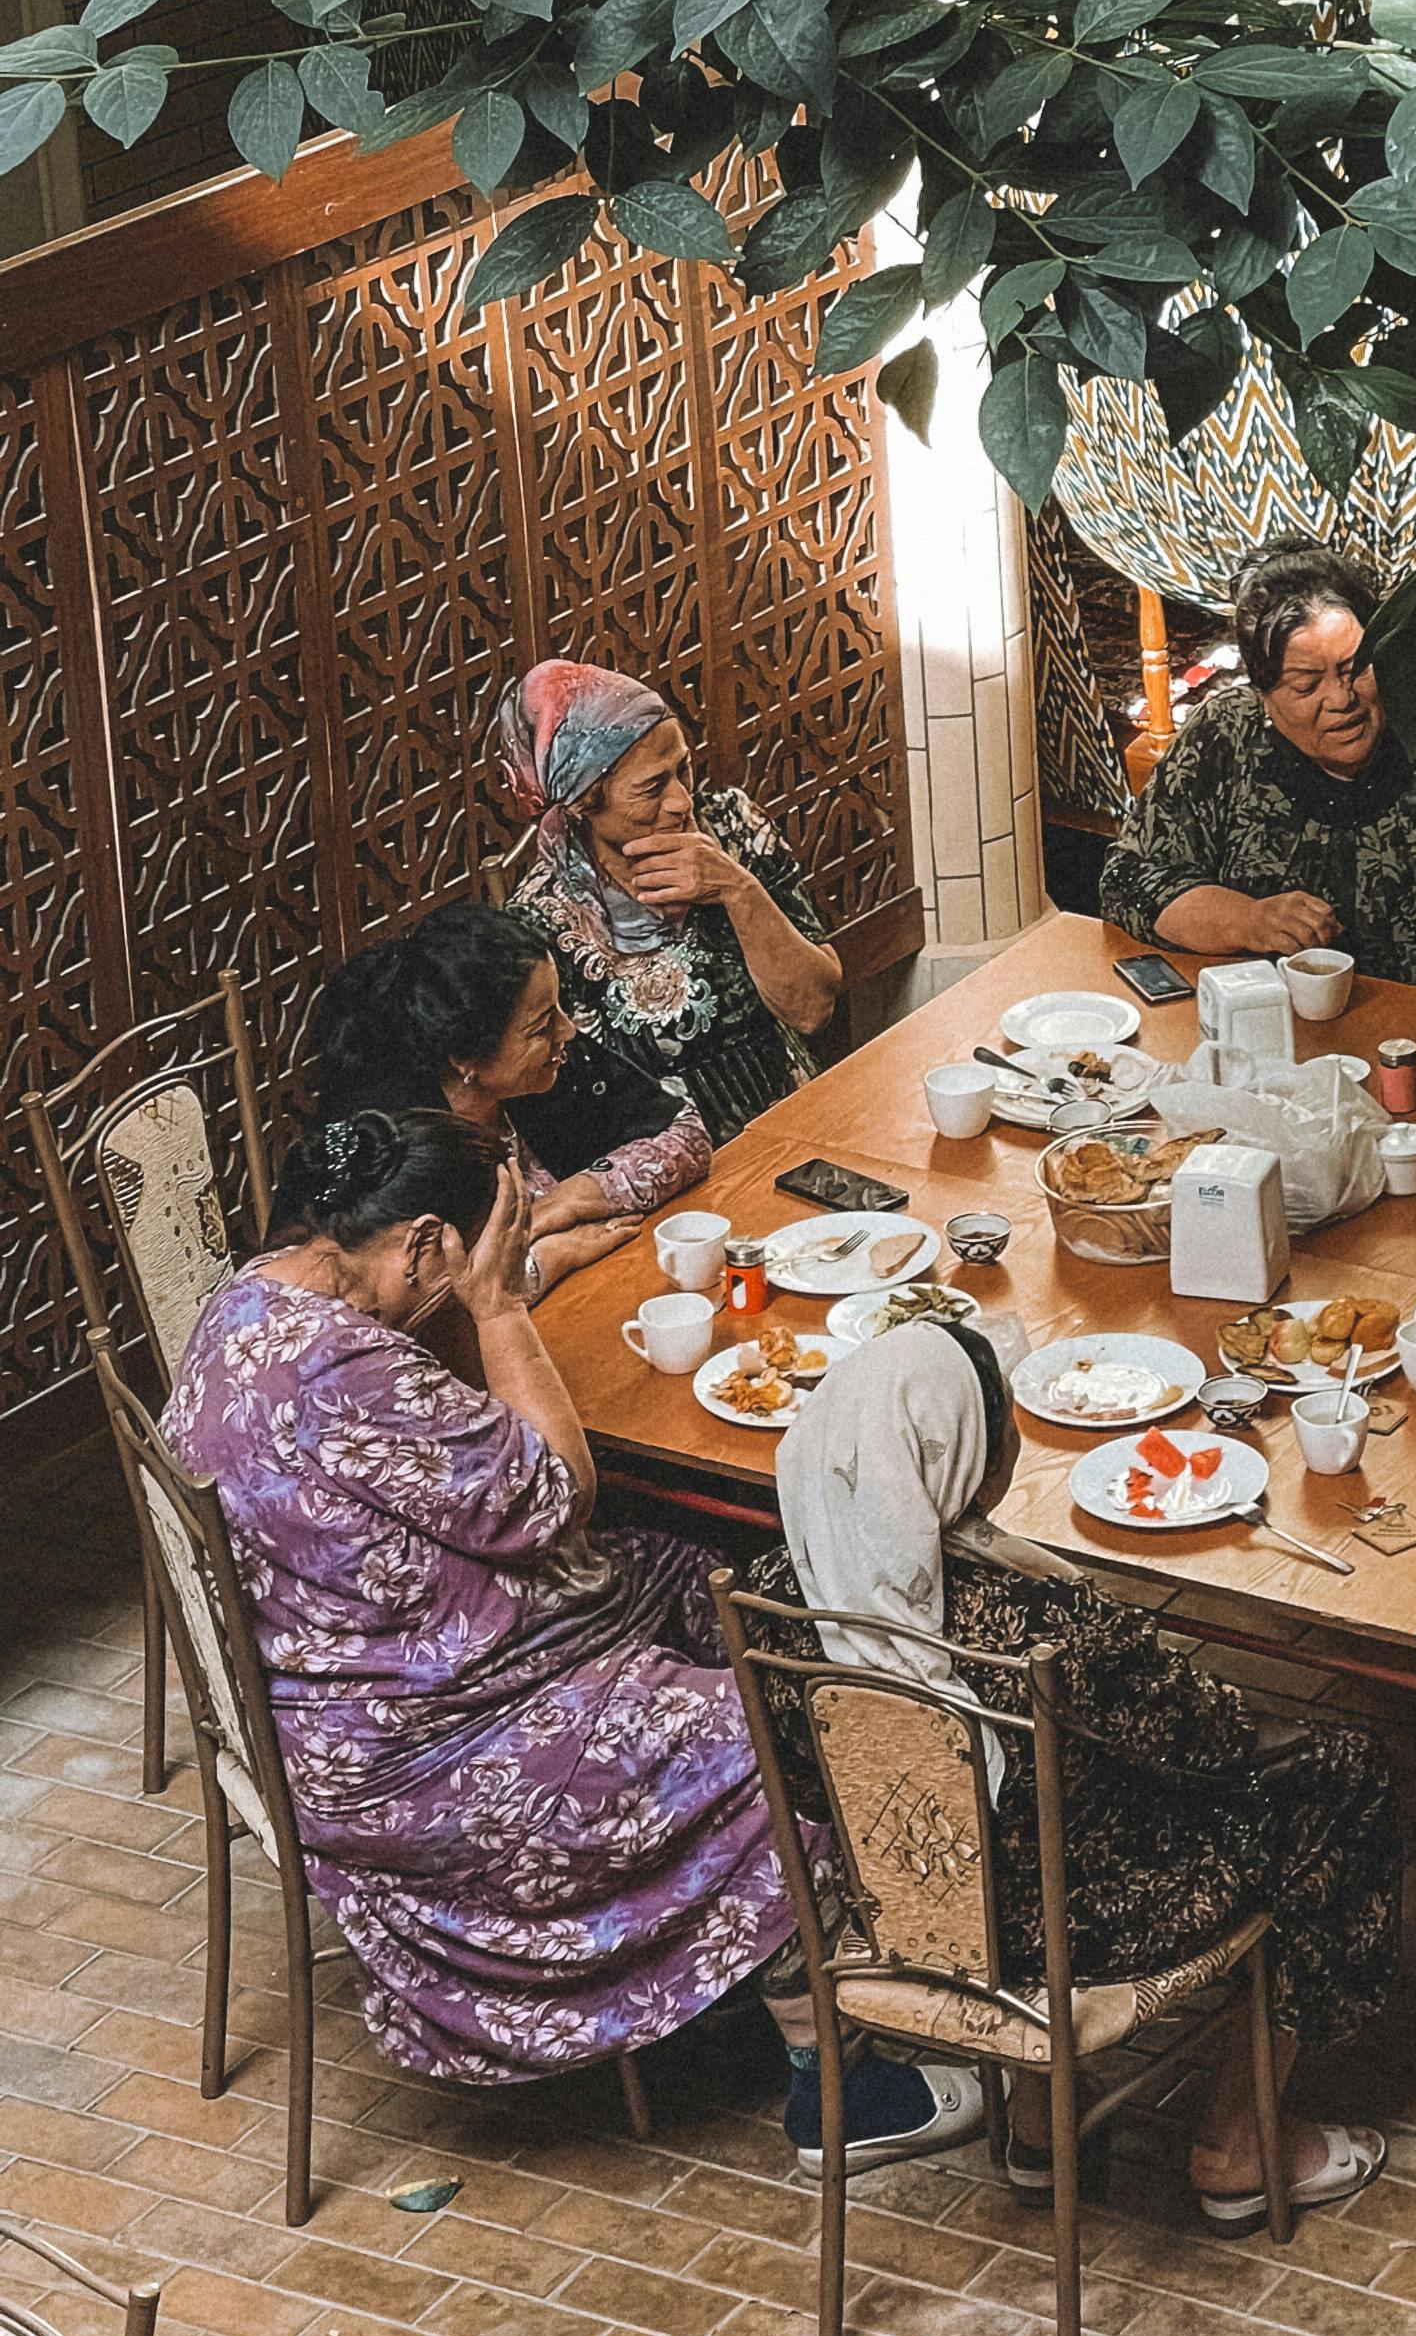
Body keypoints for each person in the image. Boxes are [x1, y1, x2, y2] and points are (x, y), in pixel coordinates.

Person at [161, 1108, 984, 2172]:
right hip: (424, 1760)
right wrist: (498, 1303)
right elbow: (555, 1495)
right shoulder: (350, 1374)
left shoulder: (256, 1299)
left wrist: (493, 1280)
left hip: (360, 1684)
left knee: (707, 1579)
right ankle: (837, 2087)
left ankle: (755, 1927)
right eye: (475, 1248)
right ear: (423, 1243)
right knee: (782, 1724)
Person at [770, 1322, 1396, 2224]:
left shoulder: (781, 1598)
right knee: (1340, 1775)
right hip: (1073, 1932)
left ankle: (1042, 2120)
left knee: (1057, 1799)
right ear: (955, 1456)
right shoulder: (1038, 1619)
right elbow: (1211, 1738)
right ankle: (1236, 2145)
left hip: (905, 1913)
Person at [1099, 538, 1416, 1002]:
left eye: (1356, 669)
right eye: (1306, 685)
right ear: (1263, 695)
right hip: (1284, 1037)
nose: (1341, 700)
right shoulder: (1227, 732)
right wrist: (1249, 920)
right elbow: (1130, 878)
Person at [494, 661, 841, 1148]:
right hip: (668, 1167)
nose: (682, 802)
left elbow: (814, 1008)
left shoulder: (732, 825)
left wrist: (737, 890)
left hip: (800, 1122)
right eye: (652, 787)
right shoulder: (542, 920)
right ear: (584, 803)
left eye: (683, 770)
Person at [309, 902, 714, 1297]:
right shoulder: (400, 1141)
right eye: (541, 1026)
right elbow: (422, 1300)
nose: (568, 1030)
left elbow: (686, 1134)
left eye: (559, 1009)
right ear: (465, 1059)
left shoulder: (545, 1068)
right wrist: (550, 1258)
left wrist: (568, 1200)